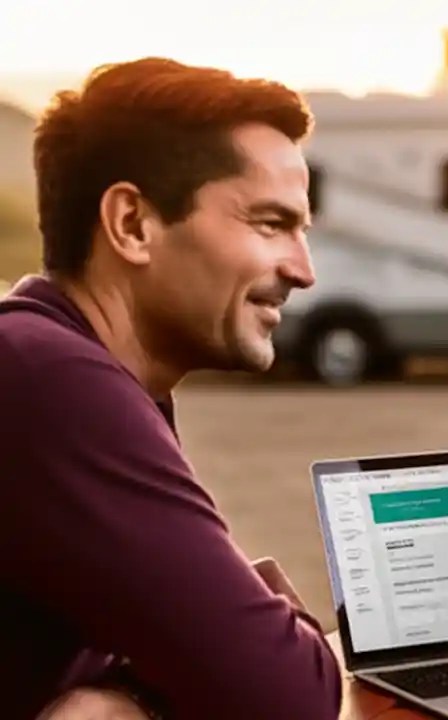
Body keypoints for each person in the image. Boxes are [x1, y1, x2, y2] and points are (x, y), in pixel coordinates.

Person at [0, 58, 342, 719]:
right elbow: (291, 699)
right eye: (270, 224)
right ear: (131, 223)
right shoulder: (53, 384)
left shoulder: (45, 359)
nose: (304, 271)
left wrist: (120, 697)